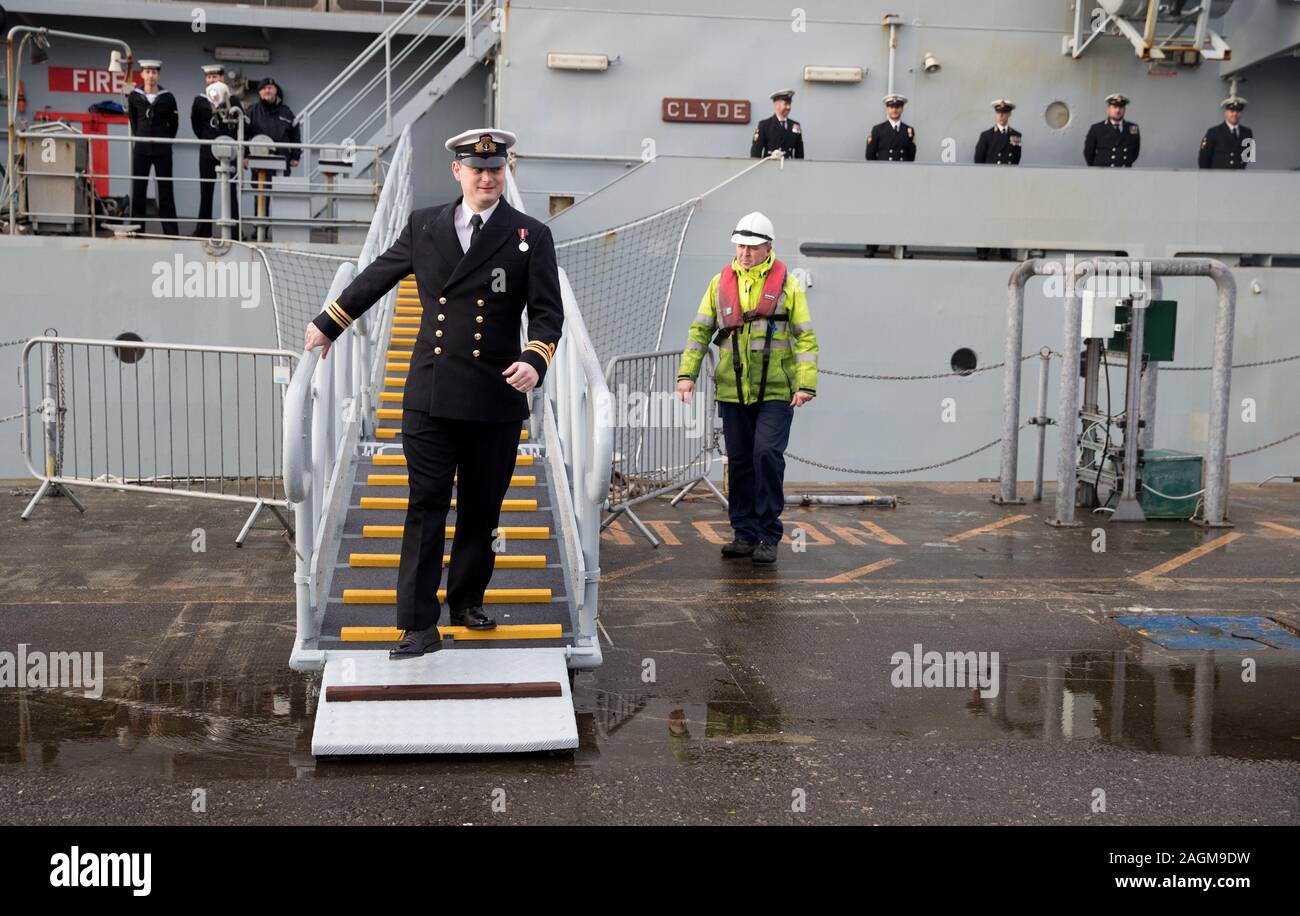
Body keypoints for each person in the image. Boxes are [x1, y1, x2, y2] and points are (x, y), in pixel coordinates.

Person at [303, 128, 562, 659]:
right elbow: (380, 274)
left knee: (482, 509)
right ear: (458, 171)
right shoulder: (425, 225)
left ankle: (466, 599)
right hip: (431, 393)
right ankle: (418, 624)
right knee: (425, 504)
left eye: (496, 168)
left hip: (495, 395)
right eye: (477, 168)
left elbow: (547, 313)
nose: (487, 177)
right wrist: (333, 321)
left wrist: (536, 360)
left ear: (505, 171)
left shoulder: (529, 235)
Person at [675, 212, 819, 566]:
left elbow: (804, 337)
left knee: (766, 455)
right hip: (732, 390)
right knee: (739, 462)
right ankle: (744, 534)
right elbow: (699, 333)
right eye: (740, 245)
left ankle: (769, 535)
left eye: (752, 247)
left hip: (776, 391)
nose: (744, 252)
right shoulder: (719, 283)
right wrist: (686, 375)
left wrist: (805, 384)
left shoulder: (788, 286)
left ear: (768, 247)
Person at [126, 60, 180, 236]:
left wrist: (165, 140)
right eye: (147, 72)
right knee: (139, 188)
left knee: (165, 190)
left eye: (154, 72)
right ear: (142, 74)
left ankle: (170, 232)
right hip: (141, 148)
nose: (151, 75)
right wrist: (141, 138)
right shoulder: (134, 96)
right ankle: (137, 230)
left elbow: (174, 124)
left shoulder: (168, 97)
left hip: (162, 149)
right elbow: (133, 121)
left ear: (158, 75)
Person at [191, 64, 239, 237]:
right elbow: (196, 124)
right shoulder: (200, 100)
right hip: (207, 150)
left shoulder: (232, 100)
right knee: (206, 190)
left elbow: (239, 125)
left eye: (216, 77)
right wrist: (206, 139)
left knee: (231, 191)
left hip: (228, 149)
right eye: (209, 77)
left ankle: (235, 231)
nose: (212, 80)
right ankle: (203, 230)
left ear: (223, 78)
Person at [974, 99, 1021, 259]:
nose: (1001, 115)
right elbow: (978, 159)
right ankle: (982, 249)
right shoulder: (987, 135)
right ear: (996, 114)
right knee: (986, 215)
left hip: (1007, 181)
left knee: (1006, 215)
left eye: (1004, 112)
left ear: (1009, 114)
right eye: (999, 112)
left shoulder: (1016, 135)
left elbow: (1016, 159)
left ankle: (1004, 248)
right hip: (990, 181)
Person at [246, 77, 301, 175]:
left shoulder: (287, 112)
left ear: (275, 90)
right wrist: (245, 156)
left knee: (280, 188)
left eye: (270, 88)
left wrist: (295, 156)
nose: (267, 91)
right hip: (259, 159)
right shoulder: (252, 111)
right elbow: (244, 135)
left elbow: (295, 134)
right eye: (264, 88)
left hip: (282, 159)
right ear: (259, 92)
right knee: (261, 189)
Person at [1084, 93, 1140, 167]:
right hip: (1102, 171)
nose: (1118, 110)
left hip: (1125, 172)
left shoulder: (1133, 128)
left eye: (1121, 107)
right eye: (1115, 107)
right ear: (1108, 109)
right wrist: (1096, 168)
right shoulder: (1097, 128)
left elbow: (1135, 152)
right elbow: (1088, 152)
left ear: (1124, 110)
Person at [1199, 96, 1253, 169]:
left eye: (1238, 111)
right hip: (1217, 177)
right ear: (1226, 113)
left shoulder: (1247, 133)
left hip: (1239, 177)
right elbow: (1203, 158)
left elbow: (1247, 158)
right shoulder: (1213, 132)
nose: (1235, 114)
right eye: (1232, 111)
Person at [750, 89, 804, 158]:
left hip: (789, 167)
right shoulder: (765, 125)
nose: (789, 107)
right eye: (786, 104)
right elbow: (756, 151)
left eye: (789, 104)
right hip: (770, 166)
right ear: (776, 105)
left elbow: (799, 153)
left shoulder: (795, 126)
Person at [864, 94, 916, 162]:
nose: (894, 110)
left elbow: (911, 155)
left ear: (902, 109)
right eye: (891, 107)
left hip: (902, 169)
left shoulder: (909, 130)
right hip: (883, 169)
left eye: (897, 107)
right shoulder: (878, 129)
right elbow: (870, 155)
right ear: (887, 109)